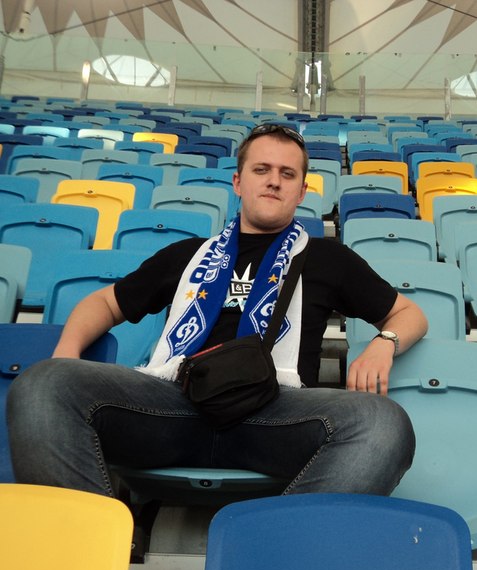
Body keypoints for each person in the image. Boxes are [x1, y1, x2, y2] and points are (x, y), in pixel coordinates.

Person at [7, 124, 427, 498]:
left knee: (383, 424)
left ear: (302, 192)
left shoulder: (329, 259)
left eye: (287, 174)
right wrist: (66, 354)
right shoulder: (188, 255)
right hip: (173, 406)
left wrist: (383, 343)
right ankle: (89, 546)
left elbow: (410, 315)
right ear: (238, 182)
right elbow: (102, 302)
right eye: (261, 170)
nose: (274, 181)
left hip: (275, 414)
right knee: (44, 383)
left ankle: (283, 546)